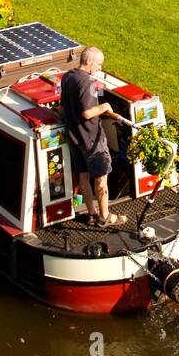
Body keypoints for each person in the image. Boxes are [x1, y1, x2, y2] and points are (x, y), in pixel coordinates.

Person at [60, 46, 126, 227]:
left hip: (75, 138)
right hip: (92, 139)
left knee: (83, 177)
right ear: (89, 61)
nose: (99, 68)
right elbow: (88, 113)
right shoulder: (87, 83)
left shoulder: (67, 77)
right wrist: (105, 107)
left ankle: (91, 213)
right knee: (101, 178)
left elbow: (63, 106)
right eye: (99, 64)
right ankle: (105, 217)